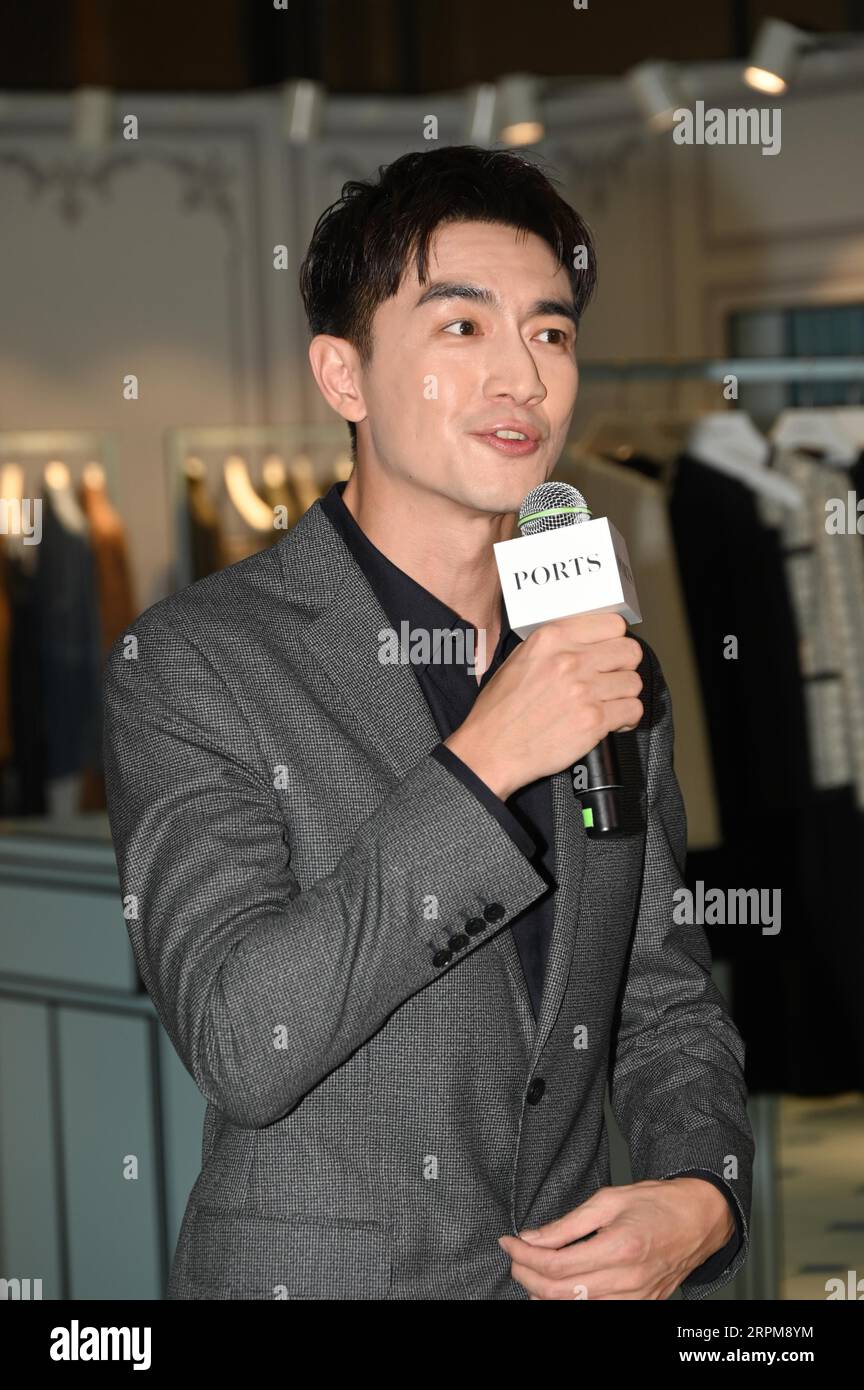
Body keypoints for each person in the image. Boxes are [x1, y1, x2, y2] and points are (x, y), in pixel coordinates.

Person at [103, 144, 753, 1300]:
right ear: (342, 376)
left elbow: (663, 989)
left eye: (550, 333)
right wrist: (484, 760)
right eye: (464, 328)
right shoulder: (196, 659)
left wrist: (700, 1192)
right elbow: (242, 1042)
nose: (524, 377)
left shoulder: (598, 649)